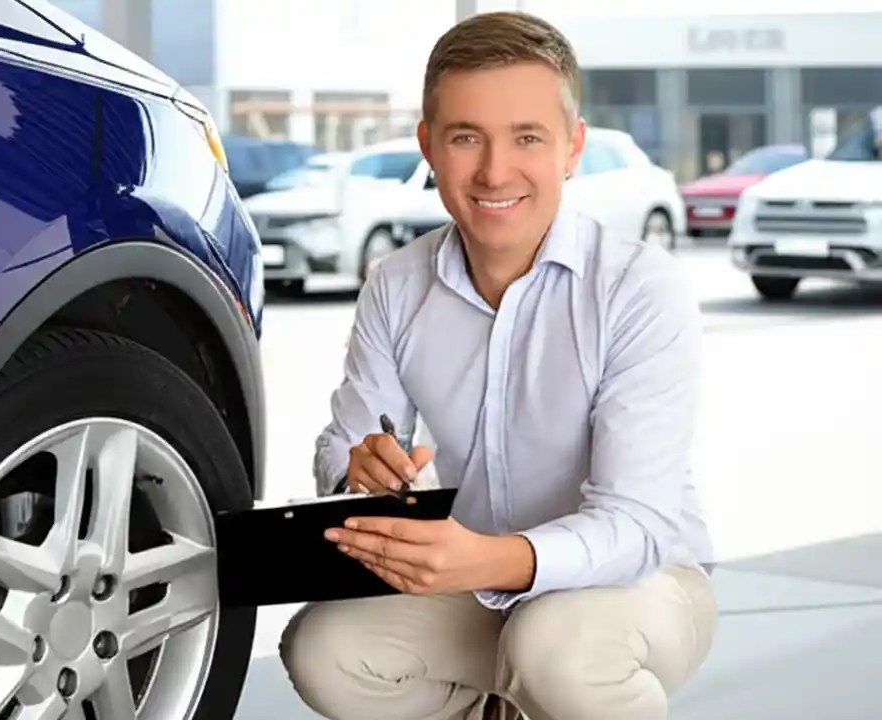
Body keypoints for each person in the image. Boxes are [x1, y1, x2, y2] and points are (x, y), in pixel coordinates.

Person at [279, 11, 717, 720]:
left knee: (557, 652)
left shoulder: (638, 286)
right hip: (470, 574)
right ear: (428, 145)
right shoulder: (396, 283)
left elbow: (636, 525)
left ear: (572, 148)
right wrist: (359, 469)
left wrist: (487, 561)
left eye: (527, 138)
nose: (493, 170)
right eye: (465, 137)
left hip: (642, 582)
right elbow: (343, 447)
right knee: (323, 648)